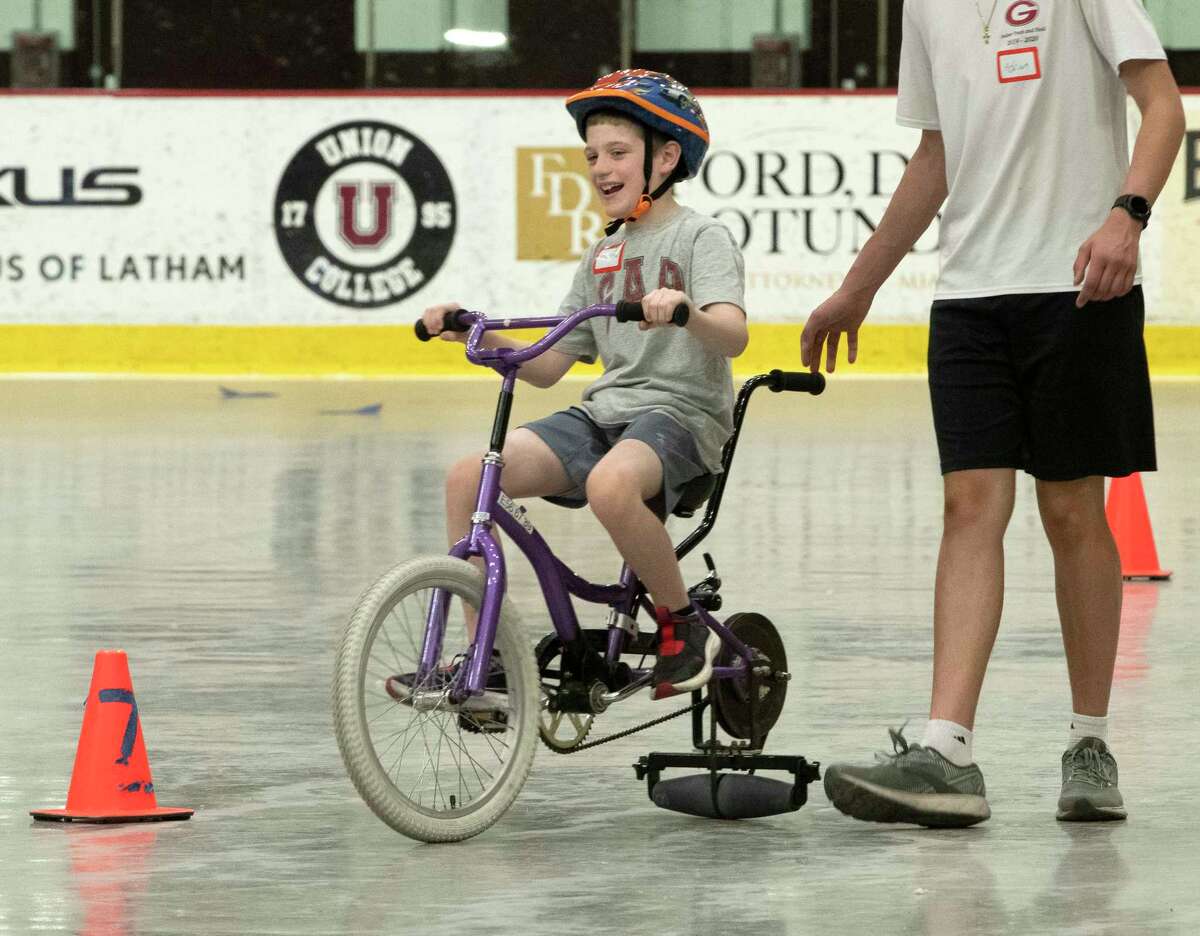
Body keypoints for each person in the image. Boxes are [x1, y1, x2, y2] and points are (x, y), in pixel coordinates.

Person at [802, 1, 1184, 826]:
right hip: (970, 298)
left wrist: (1129, 215)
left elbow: (1163, 106)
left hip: (1080, 285)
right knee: (967, 505)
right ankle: (948, 751)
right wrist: (857, 288)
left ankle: (1090, 743)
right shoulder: (926, 8)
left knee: (1072, 509)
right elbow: (935, 157)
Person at [417, 70, 749, 701]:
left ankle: (680, 624)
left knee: (611, 483)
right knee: (468, 475)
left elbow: (732, 336)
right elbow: (549, 364)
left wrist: (685, 311)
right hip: (607, 414)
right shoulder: (603, 255)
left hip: (682, 416)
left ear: (666, 157)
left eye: (618, 153)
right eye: (593, 155)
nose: (601, 167)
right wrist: (472, 336)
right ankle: (481, 662)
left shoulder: (701, 237)